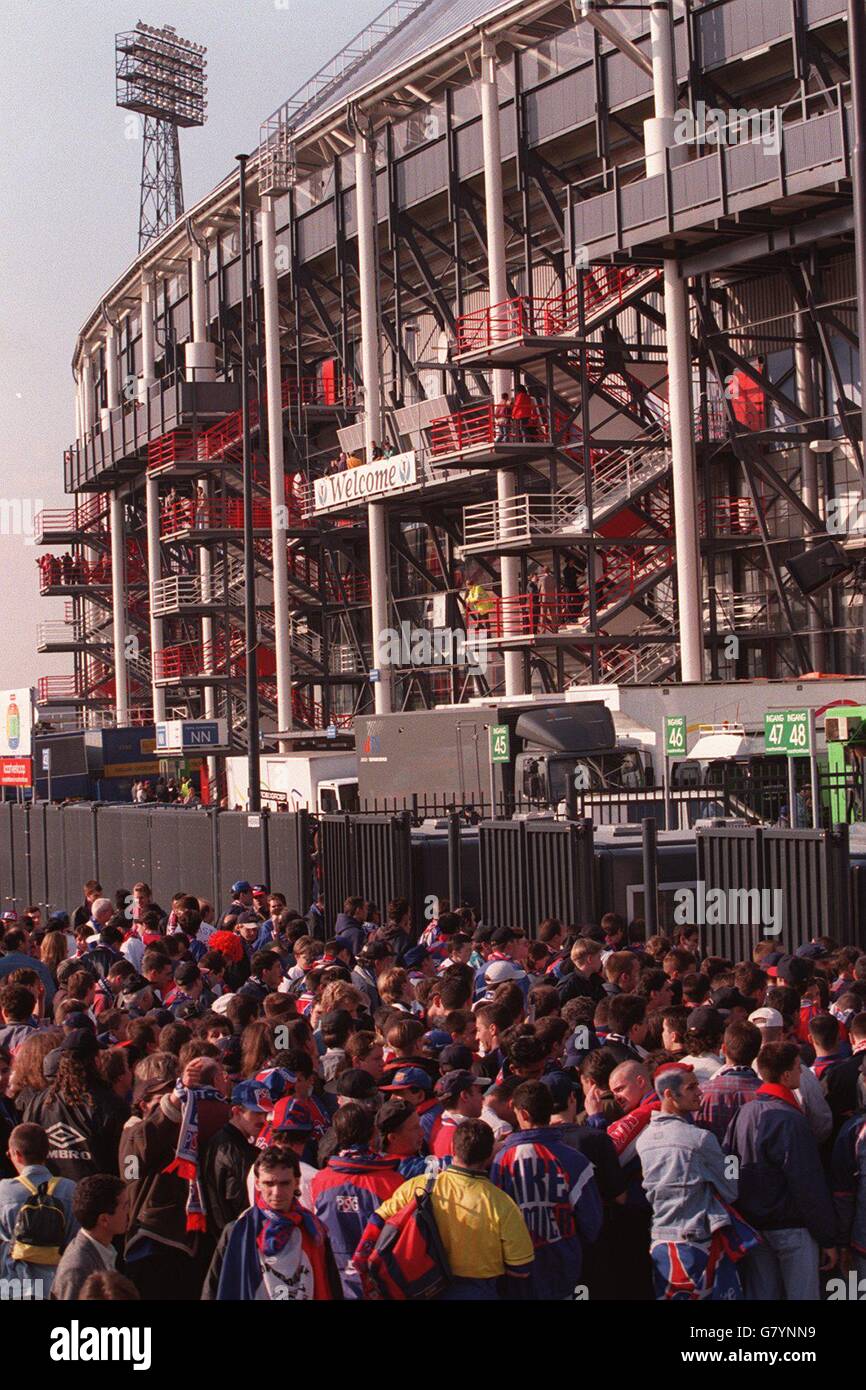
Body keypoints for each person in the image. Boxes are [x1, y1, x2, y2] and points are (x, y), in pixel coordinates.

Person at [354, 1119, 534, 1300]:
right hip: (479, 1290)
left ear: (452, 1149)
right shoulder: (502, 1203)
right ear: (489, 1156)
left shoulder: (418, 1186)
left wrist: (362, 1265)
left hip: (422, 1285)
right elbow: (520, 1268)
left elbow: (377, 1221)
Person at [724, 1041, 837, 1300]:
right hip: (791, 1228)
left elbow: (728, 1161)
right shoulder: (791, 1119)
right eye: (798, 1067)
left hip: (753, 1226)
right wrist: (827, 1237)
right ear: (786, 1075)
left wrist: (735, 1199)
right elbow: (807, 1183)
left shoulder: (744, 1112)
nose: (801, 1072)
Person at [636, 1063, 745, 1300]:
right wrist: (732, 1163)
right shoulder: (700, 1139)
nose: (699, 1092)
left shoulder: (643, 1139)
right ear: (669, 1094)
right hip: (697, 1245)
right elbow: (731, 1190)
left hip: (661, 1244)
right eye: (691, 1087)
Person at [491, 1080, 602, 1299]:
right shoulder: (575, 1160)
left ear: (522, 1114)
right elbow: (592, 1223)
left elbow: (494, 1220)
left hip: (518, 1274)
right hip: (563, 1269)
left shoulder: (501, 1161)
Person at [204, 1146, 343, 1301]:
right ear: (257, 1184)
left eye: (284, 1183)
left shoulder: (315, 1230)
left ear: (296, 1182)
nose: (277, 1192)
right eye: (269, 1184)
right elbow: (213, 1288)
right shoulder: (238, 1231)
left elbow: (332, 1286)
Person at [310, 1102, 403, 1298]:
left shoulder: (319, 1180)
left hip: (336, 1284)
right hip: (382, 1285)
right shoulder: (393, 1181)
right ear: (373, 1133)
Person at [0, 1123, 77, 1297]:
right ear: (47, 1152)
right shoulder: (70, 1189)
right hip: (59, 1283)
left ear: (16, 1154)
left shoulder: (3, 1191)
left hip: (14, 1283)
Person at [201, 1080, 269, 1238]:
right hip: (232, 1238)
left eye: (265, 1113)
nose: (263, 1120)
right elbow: (241, 1207)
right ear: (237, 1111)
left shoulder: (224, 1141)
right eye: (257, 1113)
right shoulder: (236, 1152)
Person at [51, 1175, 129, 1301]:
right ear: (104, 1219)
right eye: (125, 1207)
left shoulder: (104, 1248)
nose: (129, 1212)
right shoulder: (77, 1269)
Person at [696, 1020, 762, 1143]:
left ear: (724, 1049)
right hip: (751, 1161)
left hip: (714, 1160)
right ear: (757, 1052)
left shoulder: (702, 1092)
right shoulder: (766, 1094)